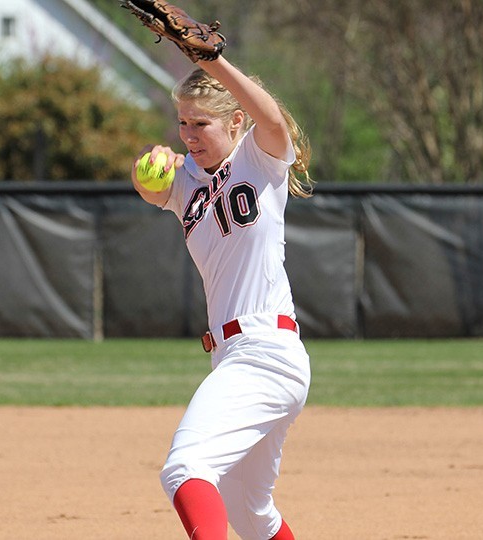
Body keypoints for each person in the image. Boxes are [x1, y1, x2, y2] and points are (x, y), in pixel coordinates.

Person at [130, 53, 314, 540]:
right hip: (235, 355)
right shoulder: (188, 178)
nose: (189, 135)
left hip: (264, 352)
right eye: (183, 123)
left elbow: (272, 119)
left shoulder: (259, 158)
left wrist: (214, 63)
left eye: (201, 123)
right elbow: (151, 189)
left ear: (236, 121)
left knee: (184, 467)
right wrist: (150, 164)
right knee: (251, 515)